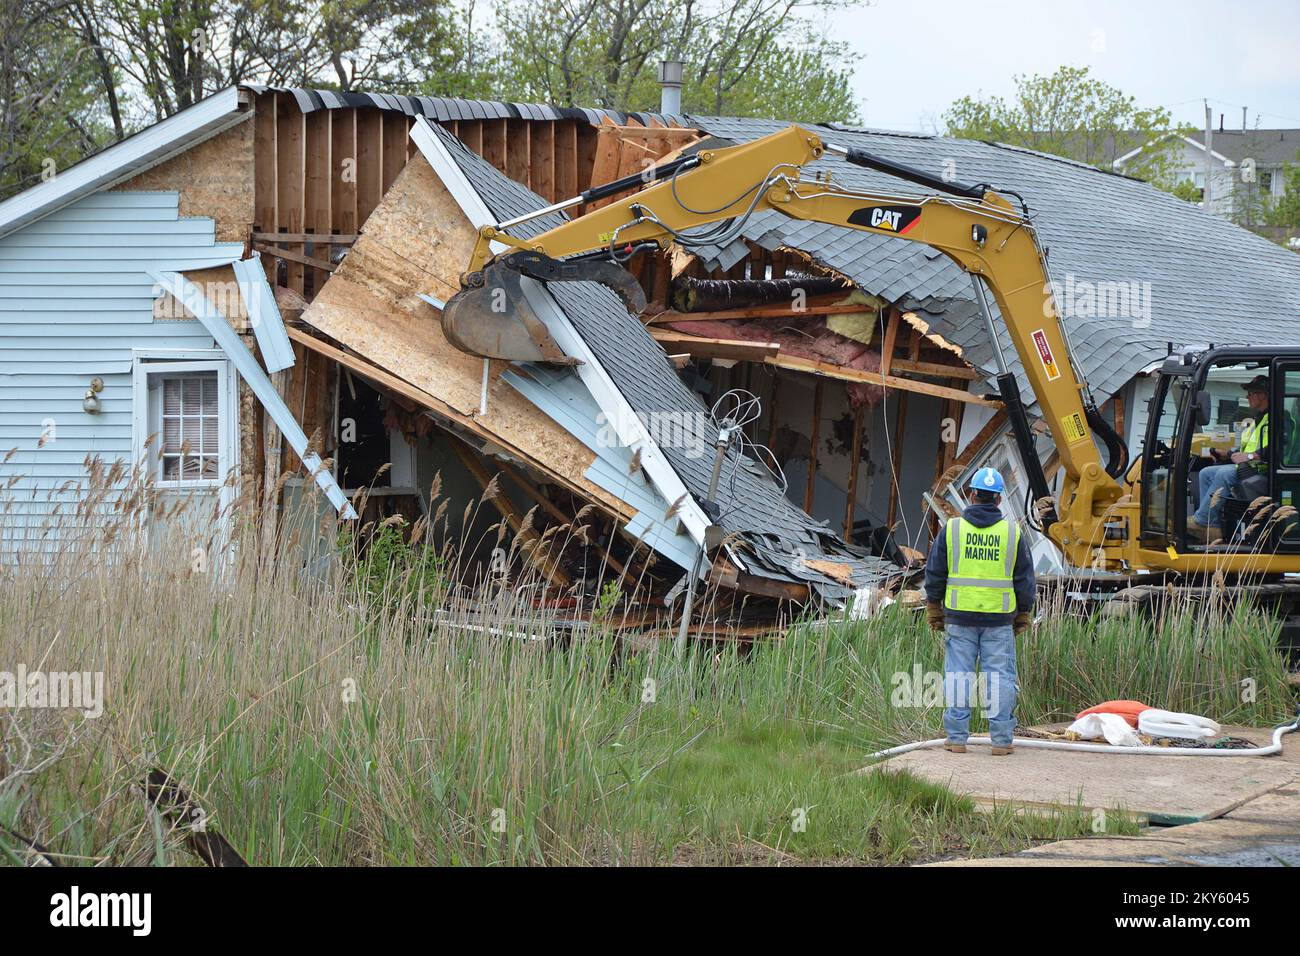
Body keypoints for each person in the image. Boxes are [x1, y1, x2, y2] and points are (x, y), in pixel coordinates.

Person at [924, 467, 1036, 756]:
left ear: (971, 496)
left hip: (959, 618)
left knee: (958, 676)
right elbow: (1024, 578)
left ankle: (957, 739)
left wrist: (934, 606)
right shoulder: (1012, 533)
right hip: (999, 621)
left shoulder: (953, 529)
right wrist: (1024, 611)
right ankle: (1000, 741)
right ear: (998, 500)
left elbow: (935, 572)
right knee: (999, 679)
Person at [1190, 375, 1271, 539]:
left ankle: (1200, 520)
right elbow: (1246, 449)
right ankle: (1211, 527)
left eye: (1250, 393)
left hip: (1264, 470)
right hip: (1250, 467)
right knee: (1206, 473)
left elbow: (1277, 448)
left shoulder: (1278, 418)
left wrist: (1248, 456)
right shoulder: (1259, 419)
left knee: (1224, 474)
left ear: (1262, 395)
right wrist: (1226, 453)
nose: (1247, 397)